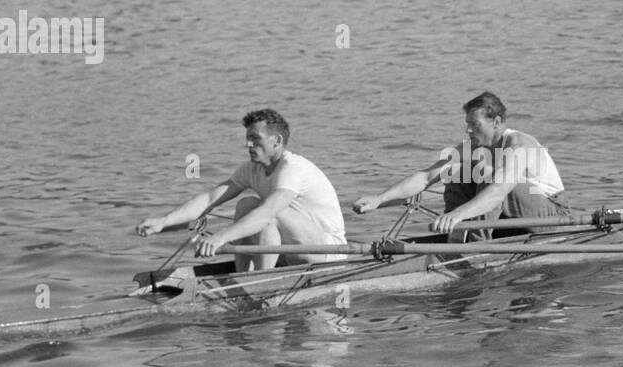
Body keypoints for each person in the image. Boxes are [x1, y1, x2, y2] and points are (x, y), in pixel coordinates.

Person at [136, 109, 346, 268]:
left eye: (255, 139)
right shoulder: (252, 169)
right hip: (293, 247)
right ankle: (244, 279)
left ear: (277, 141)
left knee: (268, 212)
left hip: (327, 251)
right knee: (245, 204)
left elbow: (266, 214)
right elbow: (210, 199)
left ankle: (264, 286)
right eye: (247, 139)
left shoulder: (293, 169)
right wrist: (163, 222)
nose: (248, 145)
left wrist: (220, 238)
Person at [352, 92, 569, 234]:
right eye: (467, 124)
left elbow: (498, 191)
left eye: (474, 124)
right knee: (457, 172)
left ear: (497, 122)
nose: (468, 130)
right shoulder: (472, 146)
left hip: (552, 217)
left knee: (486, 172)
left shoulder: (519, 144)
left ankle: (473, 250)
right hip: (513, 215)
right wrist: (379, 200)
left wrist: (457, 215)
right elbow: (427, 177)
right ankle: (457, 239)